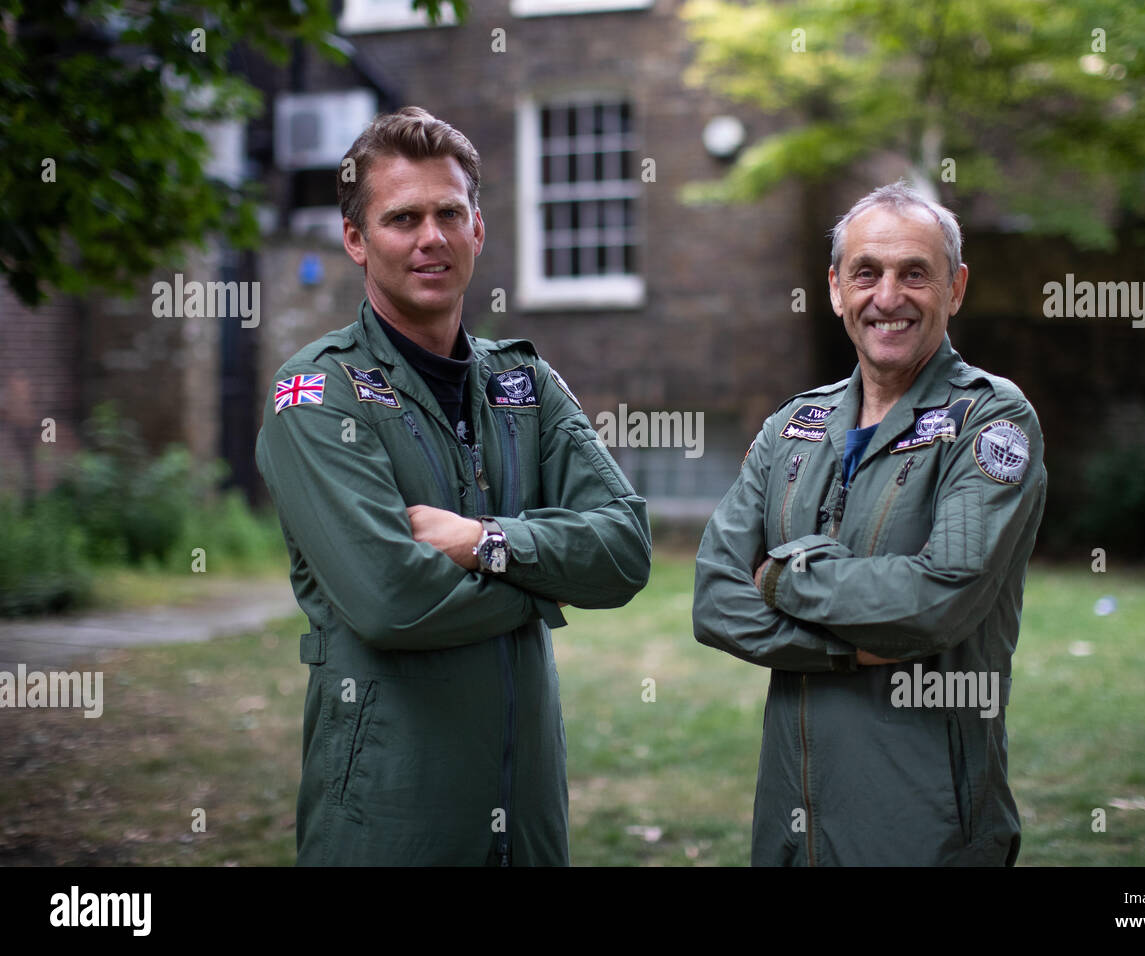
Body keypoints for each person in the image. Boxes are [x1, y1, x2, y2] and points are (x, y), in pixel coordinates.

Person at [255, 107, 652, 866]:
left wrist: (487, 541)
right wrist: (548, 584)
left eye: (449, 213)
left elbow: (626, 550)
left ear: (478, 227)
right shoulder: (317, 391)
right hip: (391, 819)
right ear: (356, 240)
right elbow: (391, 599)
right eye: (402, 218)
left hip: (528, 818)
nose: (430, 237)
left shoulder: (523, 382)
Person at [693, 181, 1047, 866]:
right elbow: (712, 599)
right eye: (867, 273)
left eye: (915, 273)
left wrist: (781, 576)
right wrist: (845, 652)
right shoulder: (792, 425)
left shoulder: (990, 420)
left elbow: (936, 600)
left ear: (956, 288)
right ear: (835, 289)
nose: (888, 298)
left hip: (924, 828)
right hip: (791, 827)